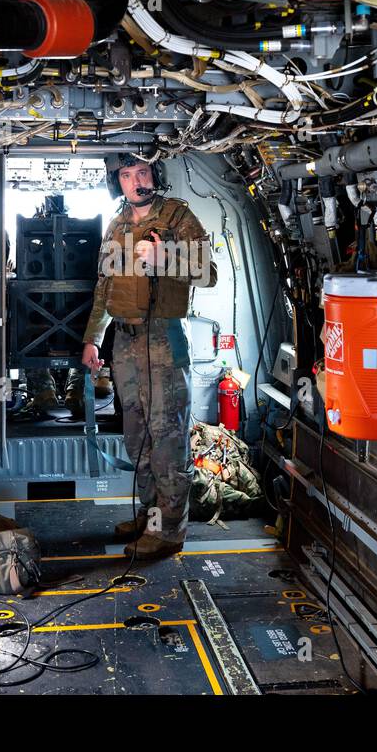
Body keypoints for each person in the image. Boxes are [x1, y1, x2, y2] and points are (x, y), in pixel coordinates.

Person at [81, 153, 217, 559]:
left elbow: (209, 273)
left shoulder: (178, 218)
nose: (134, 181)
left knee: (167, 437)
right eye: (126, 175)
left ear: (154, 175)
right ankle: (150, 517)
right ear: (117, 181)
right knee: (137, 434)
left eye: (141, 172)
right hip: (123, 341)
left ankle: (169, 531)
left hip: (163, 338)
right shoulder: (117, 223)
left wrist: (166, 259)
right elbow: (105, 286)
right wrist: (93, 338)